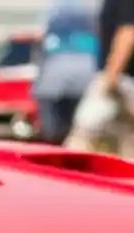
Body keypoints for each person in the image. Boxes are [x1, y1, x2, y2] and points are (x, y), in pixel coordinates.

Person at [65, 0, 134, 156]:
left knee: (82, 138)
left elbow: (129, 31)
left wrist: (110, 77)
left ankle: (65, 180)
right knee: (128, 146)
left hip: (123, 81)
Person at [33, 0, 99, 144]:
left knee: (54, 137)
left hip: (53, 80)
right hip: (87, 78)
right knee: (84, 136)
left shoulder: (55, 8)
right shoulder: (94, 7)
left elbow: (41, 39)